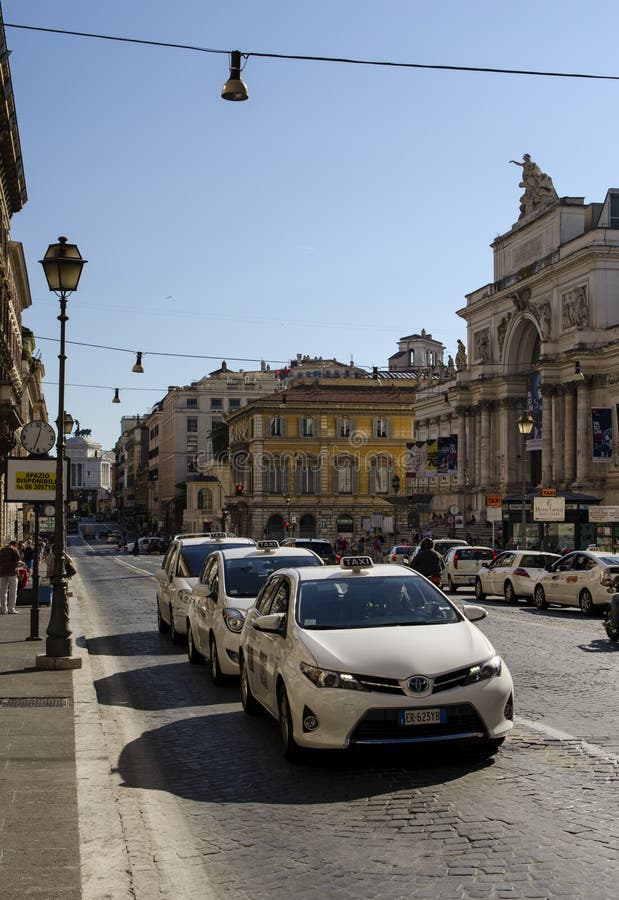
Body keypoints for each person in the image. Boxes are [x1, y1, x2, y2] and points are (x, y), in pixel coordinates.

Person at [0, 540, 23, 615]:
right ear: (15, 544)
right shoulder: (14, 549)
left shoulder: (2, 550)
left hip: (2, 572)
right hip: (12, 572)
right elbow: (18, 561)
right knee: (13, 591)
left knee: (3, 591)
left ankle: (3, 609)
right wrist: (23, 564)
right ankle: (11, 609)